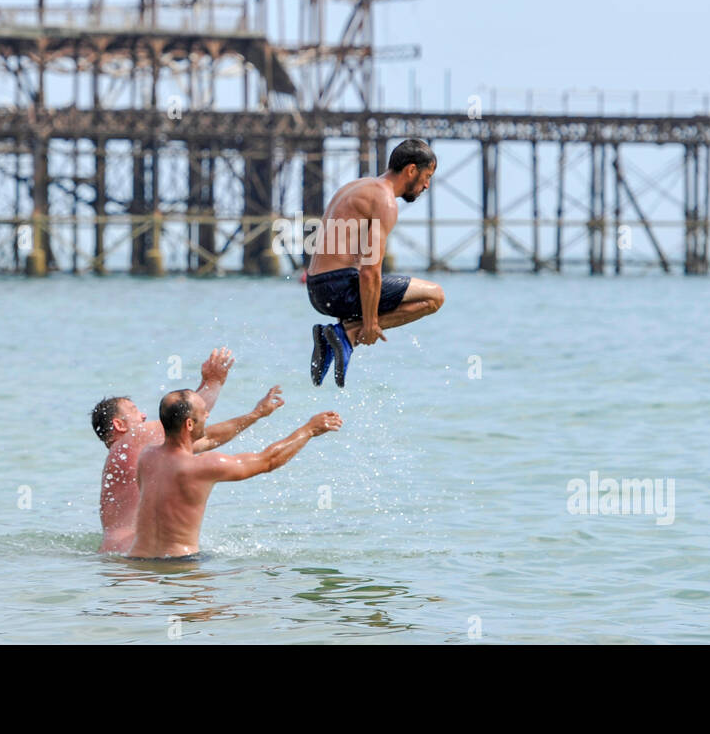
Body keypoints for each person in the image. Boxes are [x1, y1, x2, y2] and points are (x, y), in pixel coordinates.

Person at [91, 347, 285, 553]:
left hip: (117, 557)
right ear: (119, 425)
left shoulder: (135, 456)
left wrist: (255, 415)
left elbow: (208, 437)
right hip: (134, 553)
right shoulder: (132, 440)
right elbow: (185, 413)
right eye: (134, 411)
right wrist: (214, 381)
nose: (144, 416)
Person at [128, 389, 341, 560]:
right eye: (204, 412)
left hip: (138, 562)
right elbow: (268, 461)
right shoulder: (202, 466)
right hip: (180, 564)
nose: (208, 415)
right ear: (189, 424)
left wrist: (256, 415)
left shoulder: (147, 456)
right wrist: (309, 430)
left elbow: (210, 438)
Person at [306, 138, 445, 387]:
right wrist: (369, 324)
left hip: (317, 289)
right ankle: (347, 333)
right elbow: (370, 271)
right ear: (411, 170)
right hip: (338, 289)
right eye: (427, 176)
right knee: (435, 297)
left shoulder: (357, 186)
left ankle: (337, 335)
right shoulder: (385, 201)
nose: (427, 185)